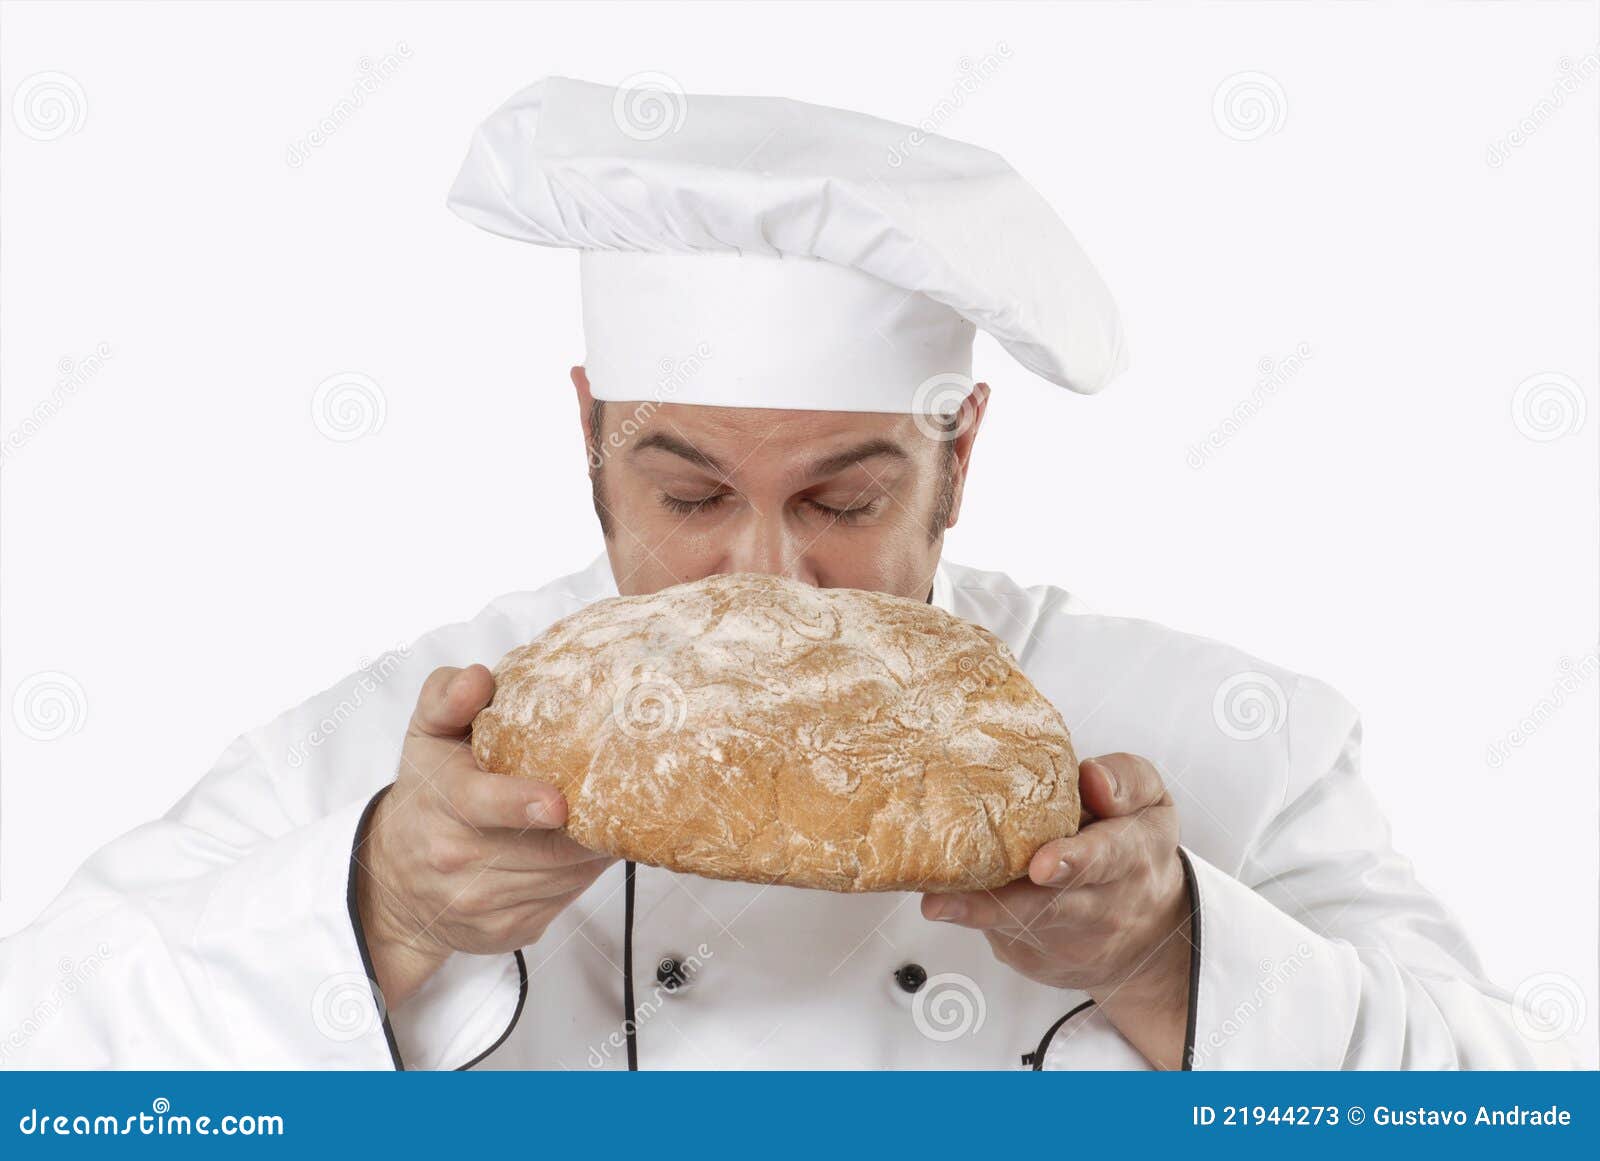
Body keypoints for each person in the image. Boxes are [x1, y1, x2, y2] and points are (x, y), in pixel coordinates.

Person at [0, 77, 1566, 1070]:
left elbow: (1515, 1115)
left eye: (843, 494)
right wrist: (376, 907)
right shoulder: (412, 751)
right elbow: (45, 1080)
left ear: (959, 457)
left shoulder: (1226, 736)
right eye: (687, 491)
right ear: (588, 438)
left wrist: (1173, 956)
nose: (765, 576)